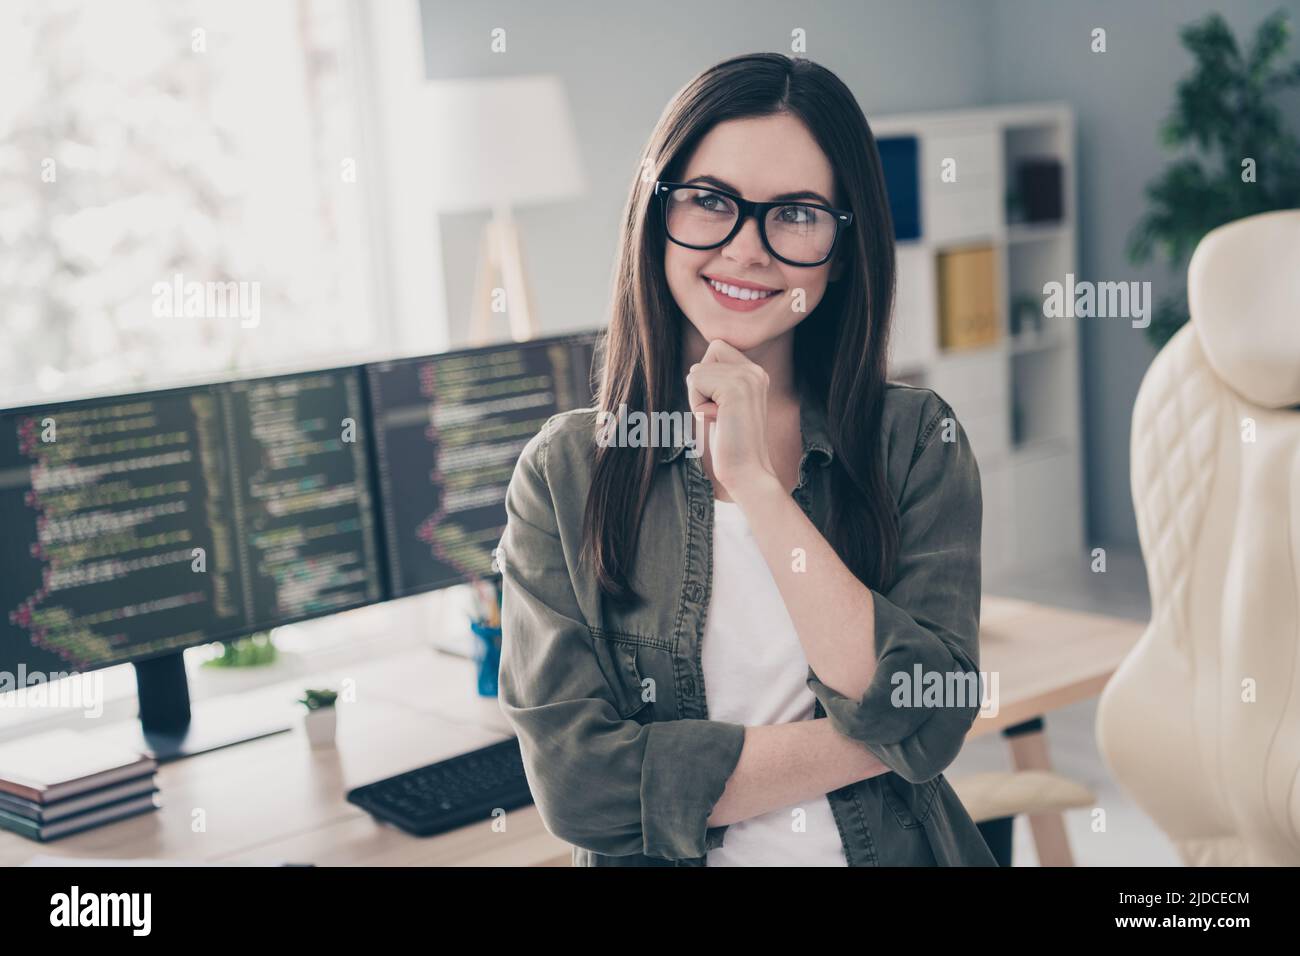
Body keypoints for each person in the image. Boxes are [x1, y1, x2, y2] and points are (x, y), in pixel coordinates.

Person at [498, 52, 996, 867]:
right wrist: (882, 741)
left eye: (796, 213)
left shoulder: (914, 440)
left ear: (843, 248)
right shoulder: (565, 473)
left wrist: (758, 487)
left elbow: (927, 707)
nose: (746, 249)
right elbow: (580, 788)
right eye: (710, 201)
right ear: (655, 213)